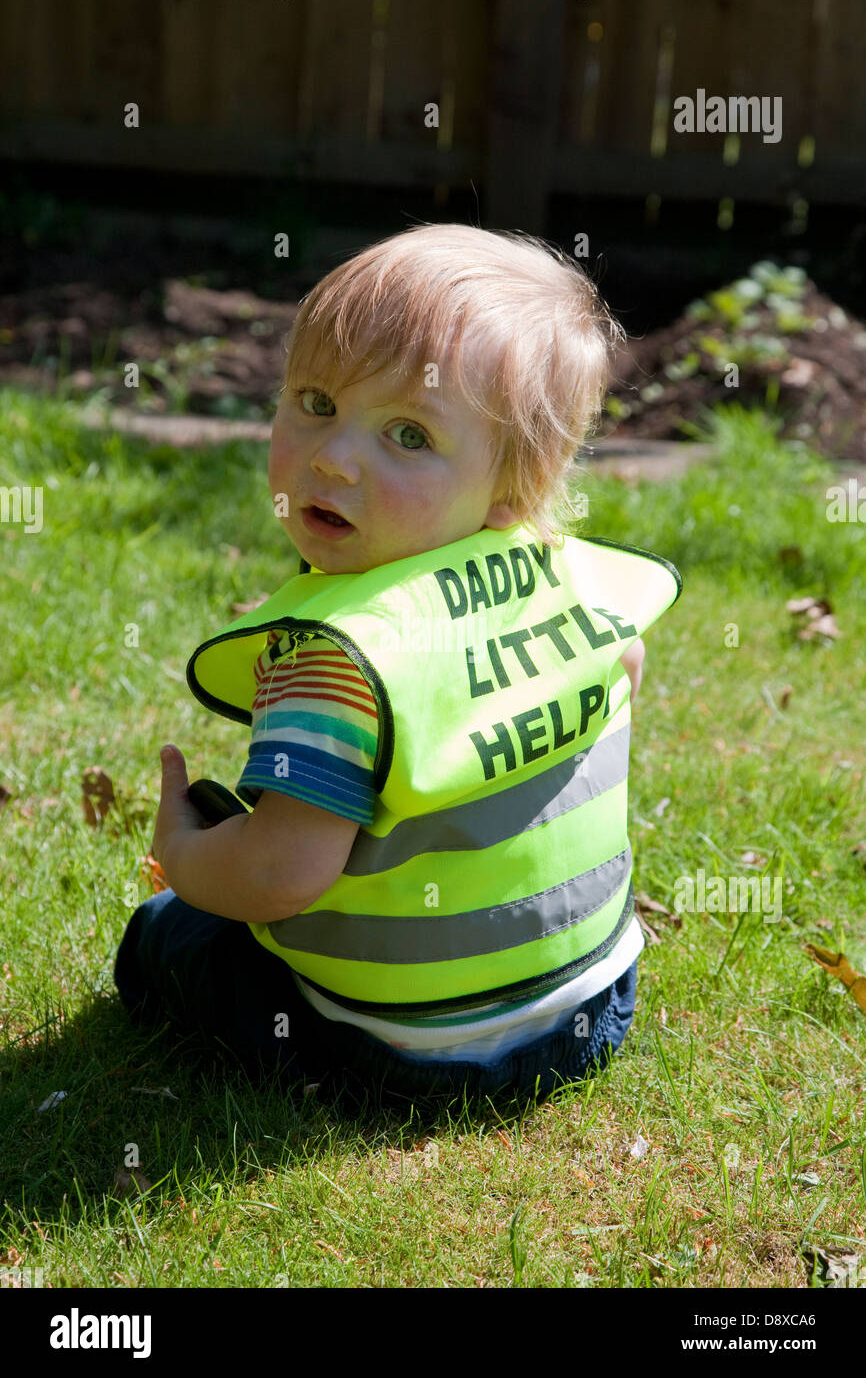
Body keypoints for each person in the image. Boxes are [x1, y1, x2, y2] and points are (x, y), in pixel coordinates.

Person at [114, 223, 681, 1109]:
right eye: (316, 402)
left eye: (408, 435)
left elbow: (279, 875)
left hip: (404, 1051)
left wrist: (184, 854)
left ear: (514, 486)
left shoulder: (339, 658)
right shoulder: (567, 581)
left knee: (169, 938)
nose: (335, 457)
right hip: (594, 1000)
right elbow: (629, 663)